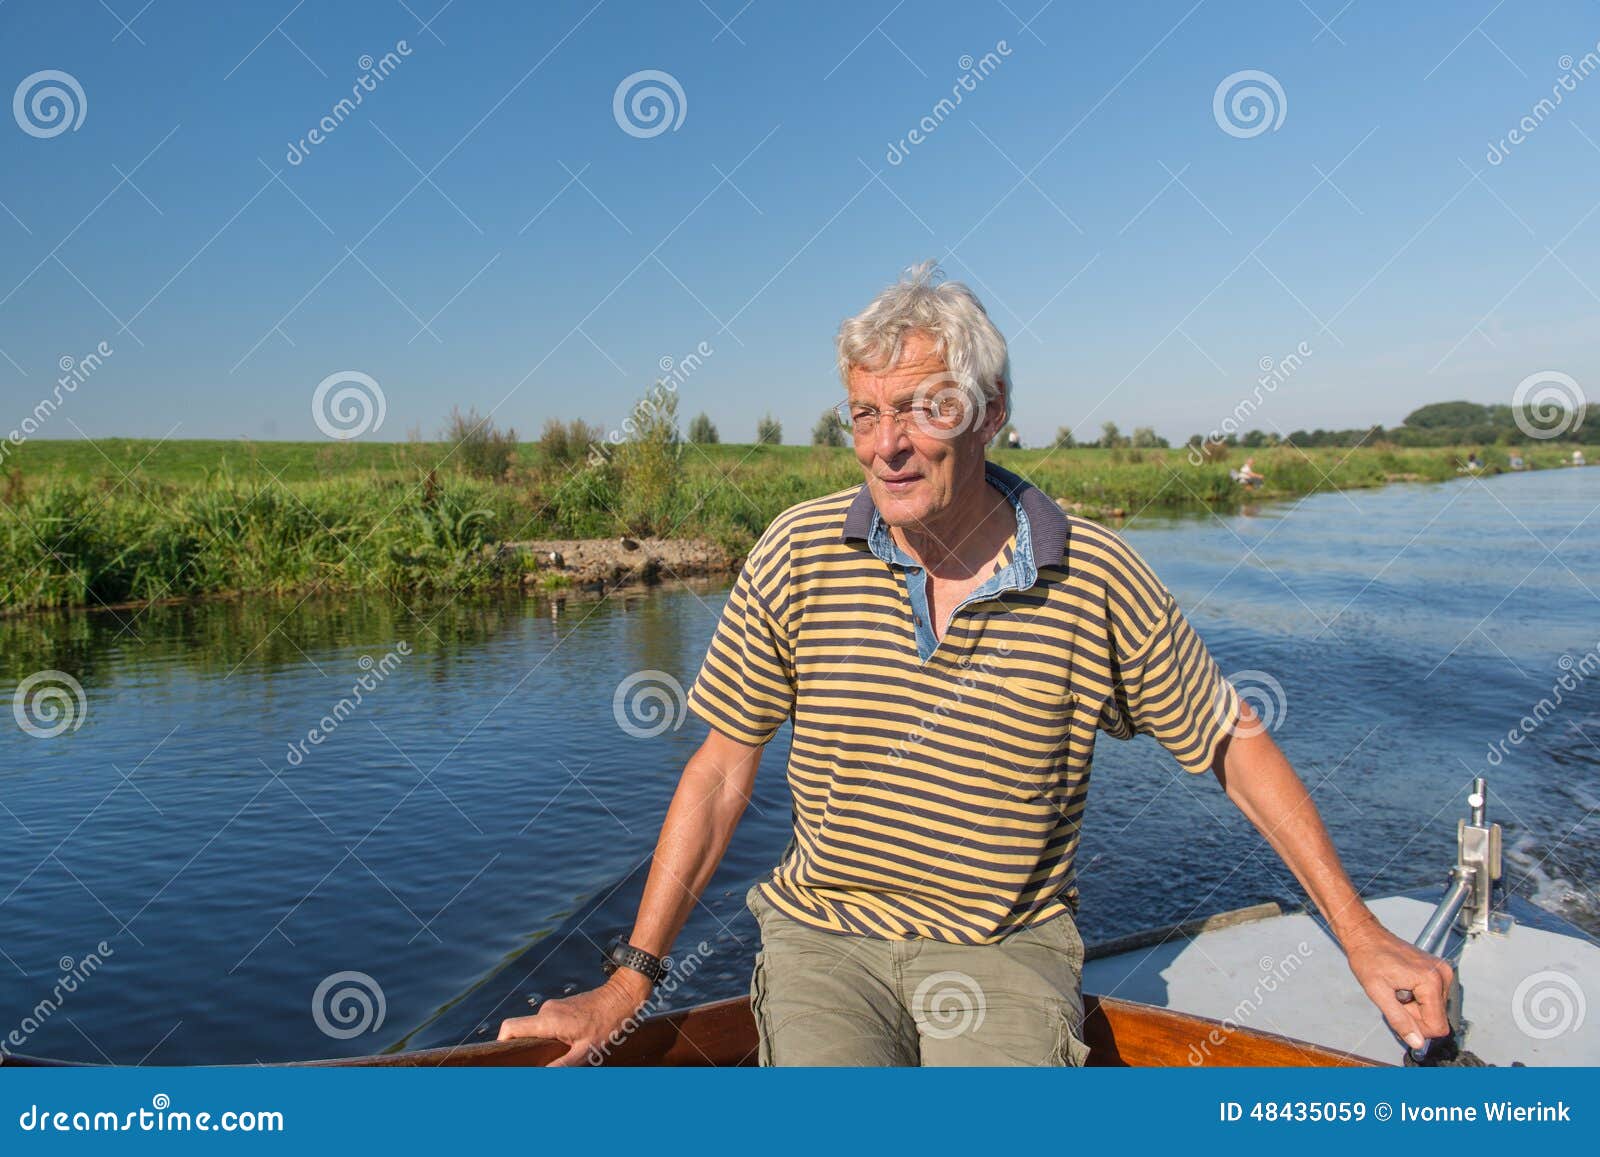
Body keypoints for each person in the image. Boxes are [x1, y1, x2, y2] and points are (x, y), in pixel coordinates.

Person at [497, 260, 1453, 1066]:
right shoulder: (797, 551)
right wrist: (632, 978)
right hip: (826, 936)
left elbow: (1231, 745)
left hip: (1005, 945)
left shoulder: (1092, 573)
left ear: (990, 411)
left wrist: (1359, 931)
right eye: (865, 414)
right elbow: (717, 771)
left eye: (920, 409)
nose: (887, 446)